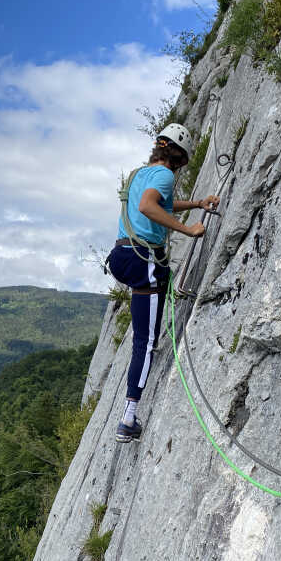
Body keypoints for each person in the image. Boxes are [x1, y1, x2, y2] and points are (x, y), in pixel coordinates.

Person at [107, 124, 219, 442]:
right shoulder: (165, 176)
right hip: (144, 261)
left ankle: (129, 413)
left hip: (122, 256)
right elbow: (148, 206)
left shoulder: (139, 173)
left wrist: (197, 204)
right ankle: (129, 418)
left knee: (144, 329)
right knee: (146, 341)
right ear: (179, 158)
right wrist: (188, 230)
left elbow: (159, 204)